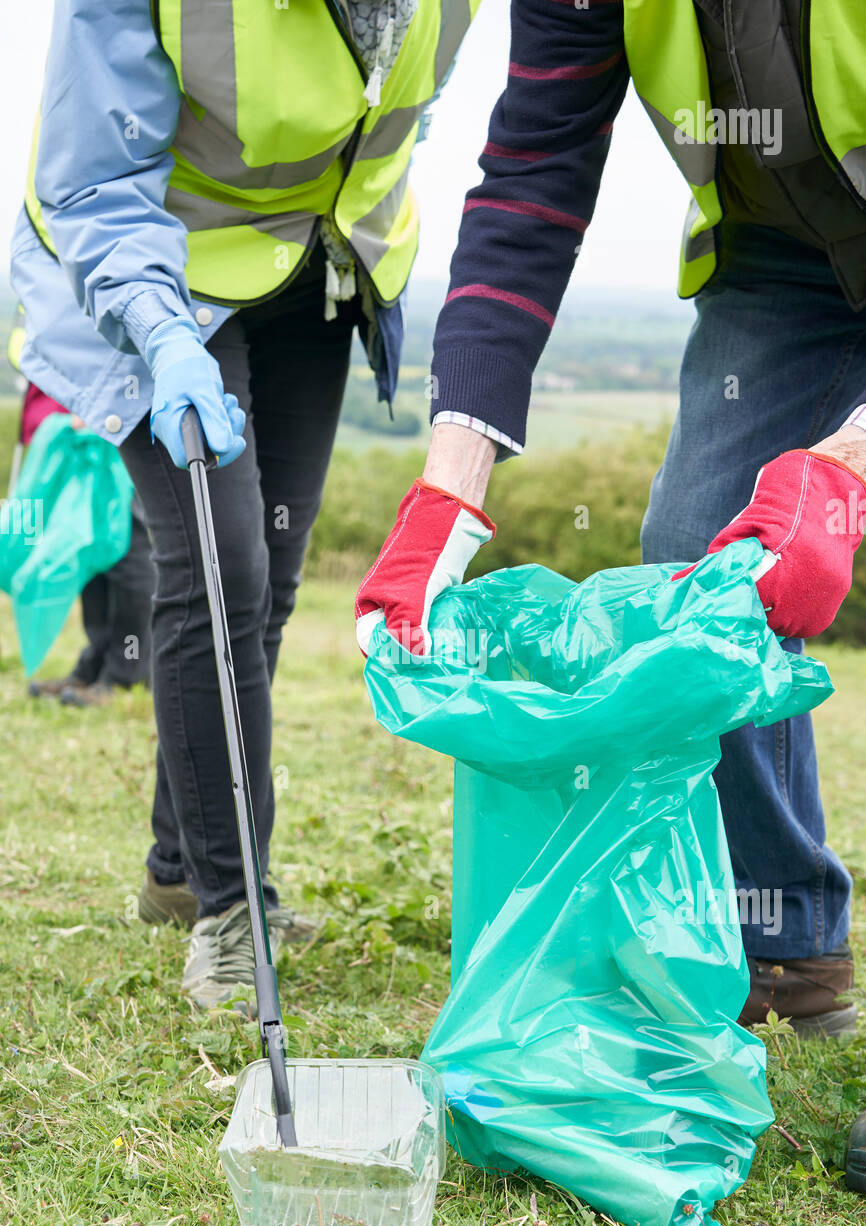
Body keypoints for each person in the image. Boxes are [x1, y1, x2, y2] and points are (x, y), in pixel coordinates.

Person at [358, 0, 866, 1042]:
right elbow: (532, 180)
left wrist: (844, 465)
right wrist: (444, 493)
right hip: (779, 261)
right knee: (698, 561)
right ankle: (781, 936)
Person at [12, 0, 478, 998]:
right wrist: (162, 331)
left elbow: (406, 105)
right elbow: (94, 179)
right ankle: (231, 912)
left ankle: (179, 874)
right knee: (219, 563)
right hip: (149, 264)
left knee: (263, 581)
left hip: (314, 269)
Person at [11, 383, 156, 707]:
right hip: (79, 432)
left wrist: (105, 404)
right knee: (90, 544)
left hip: (117, 423)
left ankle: (126, 672)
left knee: (128, 545)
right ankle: (96, 664)